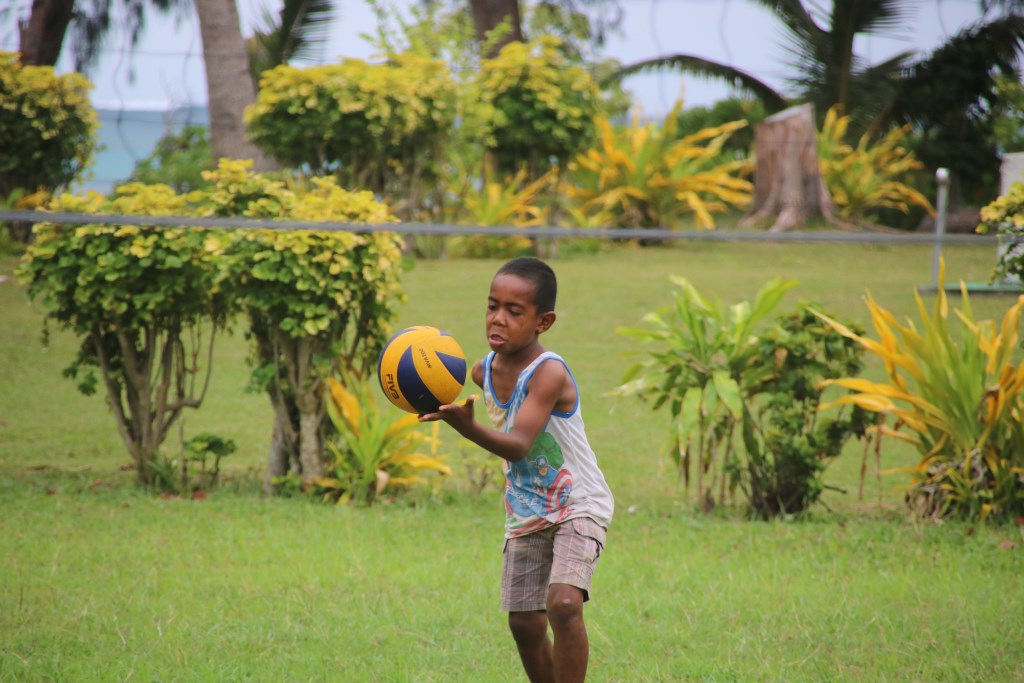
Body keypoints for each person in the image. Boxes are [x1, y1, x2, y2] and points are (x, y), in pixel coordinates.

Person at [419, 257, 614, 683]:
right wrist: (425, 389)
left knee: (563, 604)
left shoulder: (549, 374)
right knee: (524, 624)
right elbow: (445, 386)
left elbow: (520, 445)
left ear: (544, 321)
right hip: (526, 510)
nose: (498, 319)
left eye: (514, 311)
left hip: (577, 503)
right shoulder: (481, 371)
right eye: (492, 306)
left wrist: (467, 429)